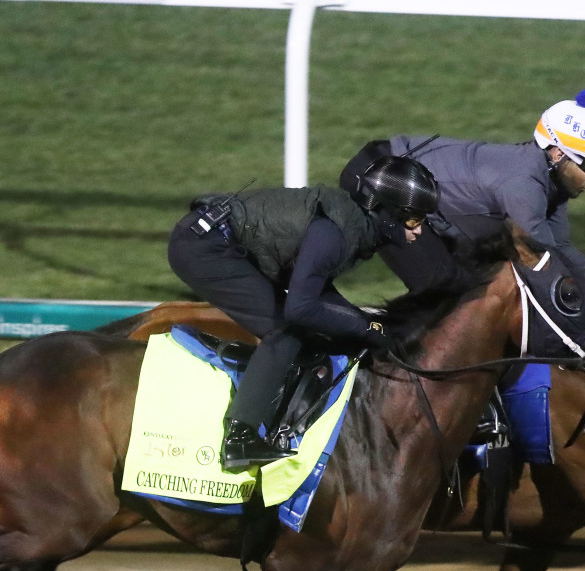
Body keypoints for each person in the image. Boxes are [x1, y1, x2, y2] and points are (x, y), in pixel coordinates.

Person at [167, 156, 441, 471]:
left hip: (217, 239)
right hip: (204, 247)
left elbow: (316, 291)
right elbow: (300, 308)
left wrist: (369, 327)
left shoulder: (353, 224)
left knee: (317, 327)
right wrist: (366, 327)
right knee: (285, 332)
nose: (419, 231)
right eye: (414, 220)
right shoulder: (338, 233)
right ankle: (239, 439)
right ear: (389, 213)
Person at [339, 89, 585, 293]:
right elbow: (547, 268)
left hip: (407, 179)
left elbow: (562, 250)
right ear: (559, 154)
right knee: (445, 297)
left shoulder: (552, 181)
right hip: (379, 178)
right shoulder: (522, 186)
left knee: (471, 290)